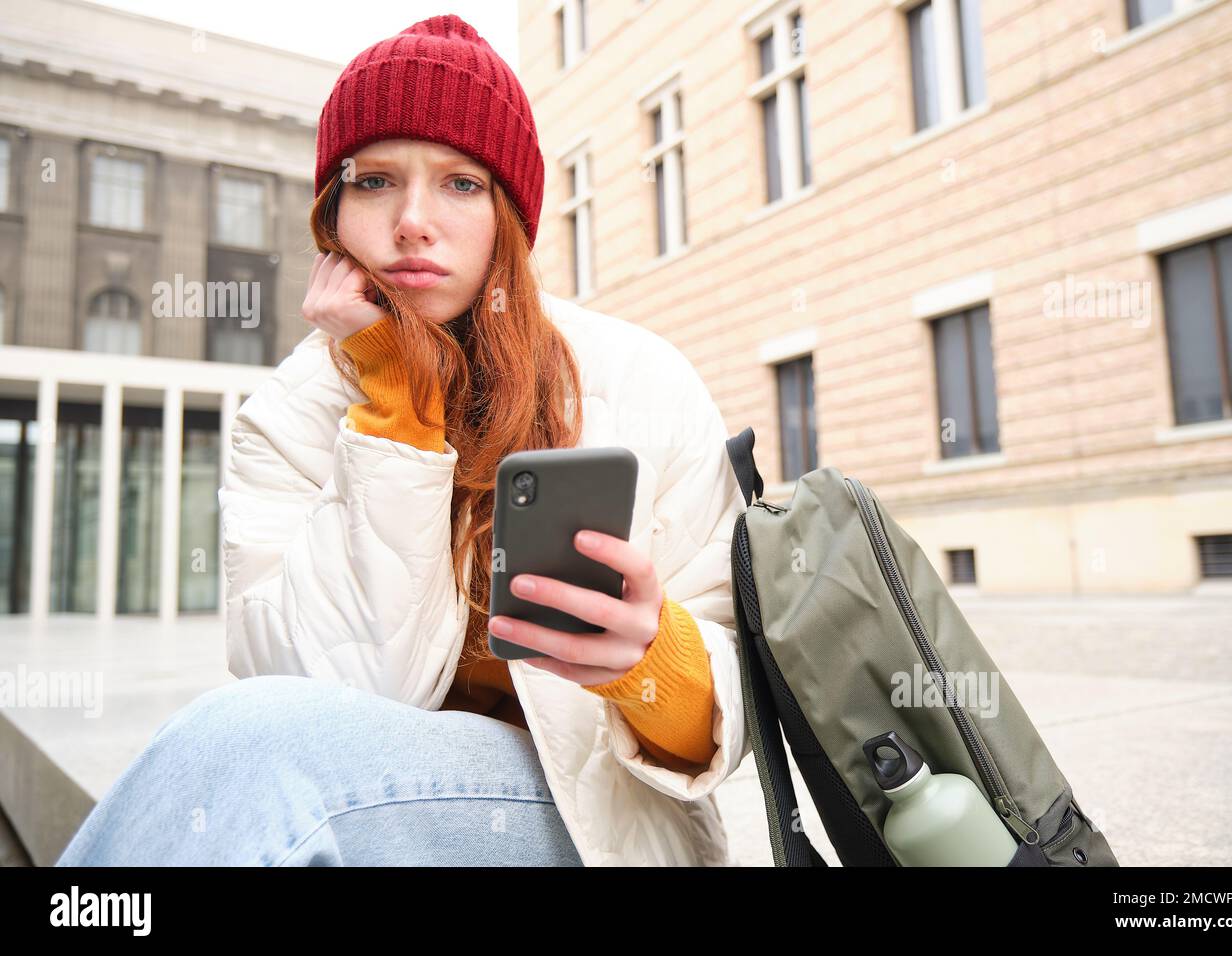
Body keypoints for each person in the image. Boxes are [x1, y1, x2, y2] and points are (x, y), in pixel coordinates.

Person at [56, 14, 749, 867]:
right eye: (377, 181)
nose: (414, 221)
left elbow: (732, 713)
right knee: (245, 739)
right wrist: (396, 402)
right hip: (374, 809)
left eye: (461, 184)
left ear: (508, 218)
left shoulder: (641, 380)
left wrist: (648, 659)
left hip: (596, 825)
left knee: (245, 748)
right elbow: (347, 700)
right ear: (332, 217)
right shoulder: (283, 417)